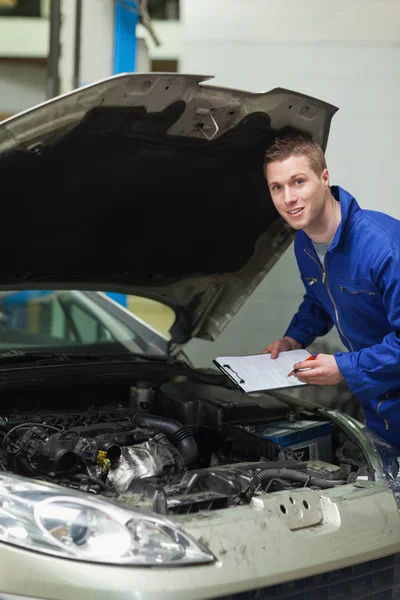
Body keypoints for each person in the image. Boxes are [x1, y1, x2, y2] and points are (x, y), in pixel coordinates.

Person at [262, 133, 400, 447]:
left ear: (324, 178)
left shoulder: (387, 248)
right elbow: (321, 297)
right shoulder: (304, 243)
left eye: (298, 181)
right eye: (277, 187)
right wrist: (294, 338)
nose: (288, 199)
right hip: (381, 403)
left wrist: (344, 368)